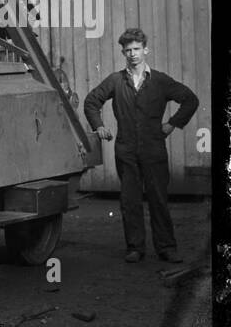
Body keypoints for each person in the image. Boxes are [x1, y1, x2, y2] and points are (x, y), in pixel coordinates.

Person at [83, 29, 198, 264]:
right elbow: (91, 101)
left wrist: (173, 124)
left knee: (158, 199)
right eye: (128, 51)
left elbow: (190, 99)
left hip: (153, 149)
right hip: (126, 150)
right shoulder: (116, 80)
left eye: (136, 49)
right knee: (130, 200)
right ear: (123, 53)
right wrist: (99, 126)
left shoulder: (160, 81)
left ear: (145, 49)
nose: (132, 54)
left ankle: (167, 248)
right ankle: (135, 248)